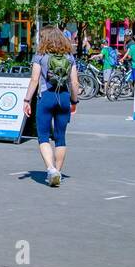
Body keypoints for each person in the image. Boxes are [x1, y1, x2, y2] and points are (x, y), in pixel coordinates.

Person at [24, 26, 80, 189]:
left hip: (46, 96)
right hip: (63, 97)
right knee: (60, 137)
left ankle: (50, 169)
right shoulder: (69, 57)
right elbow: (74, 83)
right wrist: (74, 102)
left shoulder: (40, 55)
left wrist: (27, 100)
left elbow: (34, 80)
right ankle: (58, 172)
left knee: (43, 136)